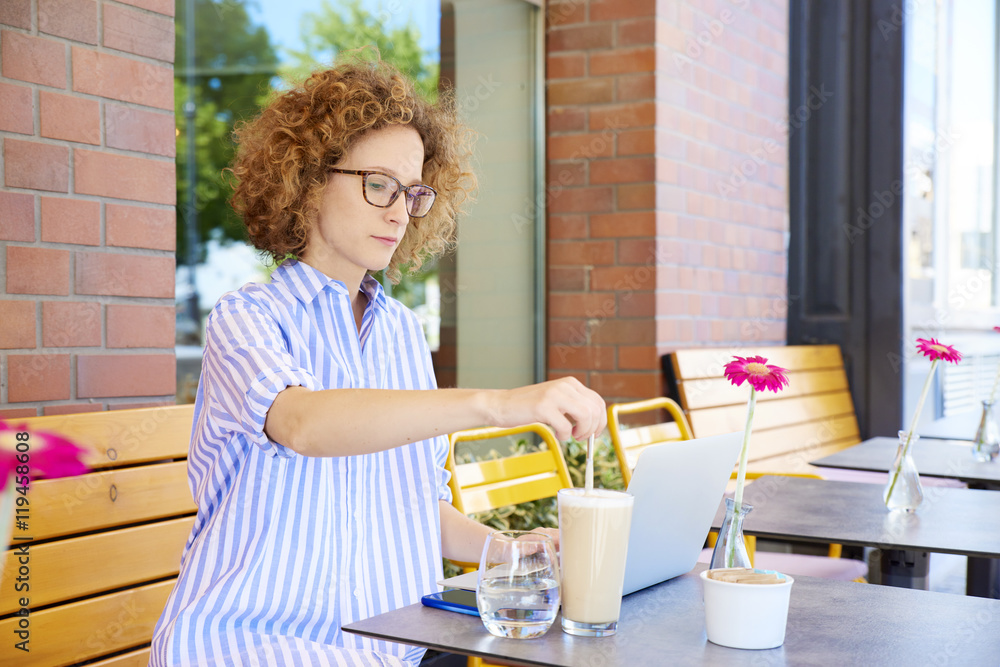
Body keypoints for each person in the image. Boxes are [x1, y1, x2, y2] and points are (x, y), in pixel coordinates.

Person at [150, 54, 606, 667]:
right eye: (378, 185)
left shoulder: (401, 333)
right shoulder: (247, 319)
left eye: (412, 192)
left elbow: (412, 506)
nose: (398, 210)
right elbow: (302, 424)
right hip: (253, 644)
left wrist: (510, 551)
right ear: (309, 179)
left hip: (393, 648)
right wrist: (500, 402)